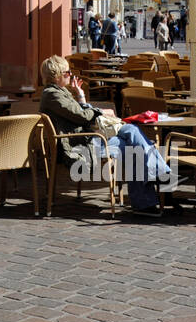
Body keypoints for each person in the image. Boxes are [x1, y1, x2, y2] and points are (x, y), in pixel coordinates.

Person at [37, 55, 175, 215]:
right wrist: (102, 111)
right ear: (57, 74)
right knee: (134, 142)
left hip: (88, 138)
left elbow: (80, 113)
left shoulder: (60, 92)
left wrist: (80, 95)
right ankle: (154, 190)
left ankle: (150, 193)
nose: (70, 74)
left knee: (132, 135)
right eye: (67, 72)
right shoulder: (52, 95)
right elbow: (81, 116)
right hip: (79, 146)